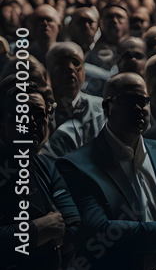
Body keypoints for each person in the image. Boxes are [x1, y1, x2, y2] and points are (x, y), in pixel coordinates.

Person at [56, 73, 156, 270]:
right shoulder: (76, 165)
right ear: (106, 108)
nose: (138, 108)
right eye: (128, 100)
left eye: (143, 100)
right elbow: (100, 231)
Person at [0, 76, 80, 269]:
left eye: (39, 114)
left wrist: (21, 236)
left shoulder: (45, 165)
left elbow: (72, 222)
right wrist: (37, 230)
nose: (32, 121)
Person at [44, 43, 106, 158]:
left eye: (76, 62)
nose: (70, 68)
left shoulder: (102, 108)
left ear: (84, 71)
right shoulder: (41, 113)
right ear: (48, 71)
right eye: (61, 63)